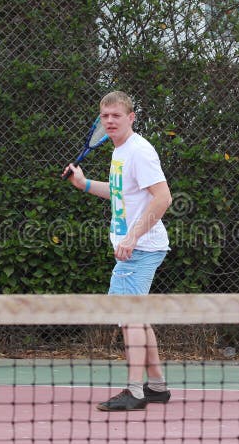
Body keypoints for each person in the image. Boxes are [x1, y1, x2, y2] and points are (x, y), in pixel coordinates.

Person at [63, 91, 173, 412]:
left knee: (129, 319)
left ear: (131, 118)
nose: (110, 121)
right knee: (137, 317)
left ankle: (135, 391)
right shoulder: (120, 152)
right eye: (105, 116)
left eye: (116, 115)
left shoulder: (139, 151)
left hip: (138, 250)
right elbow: (119, 196)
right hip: (137, 248)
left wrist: (132, 238)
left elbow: (163, 198)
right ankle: (156, 386)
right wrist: (83, 184)